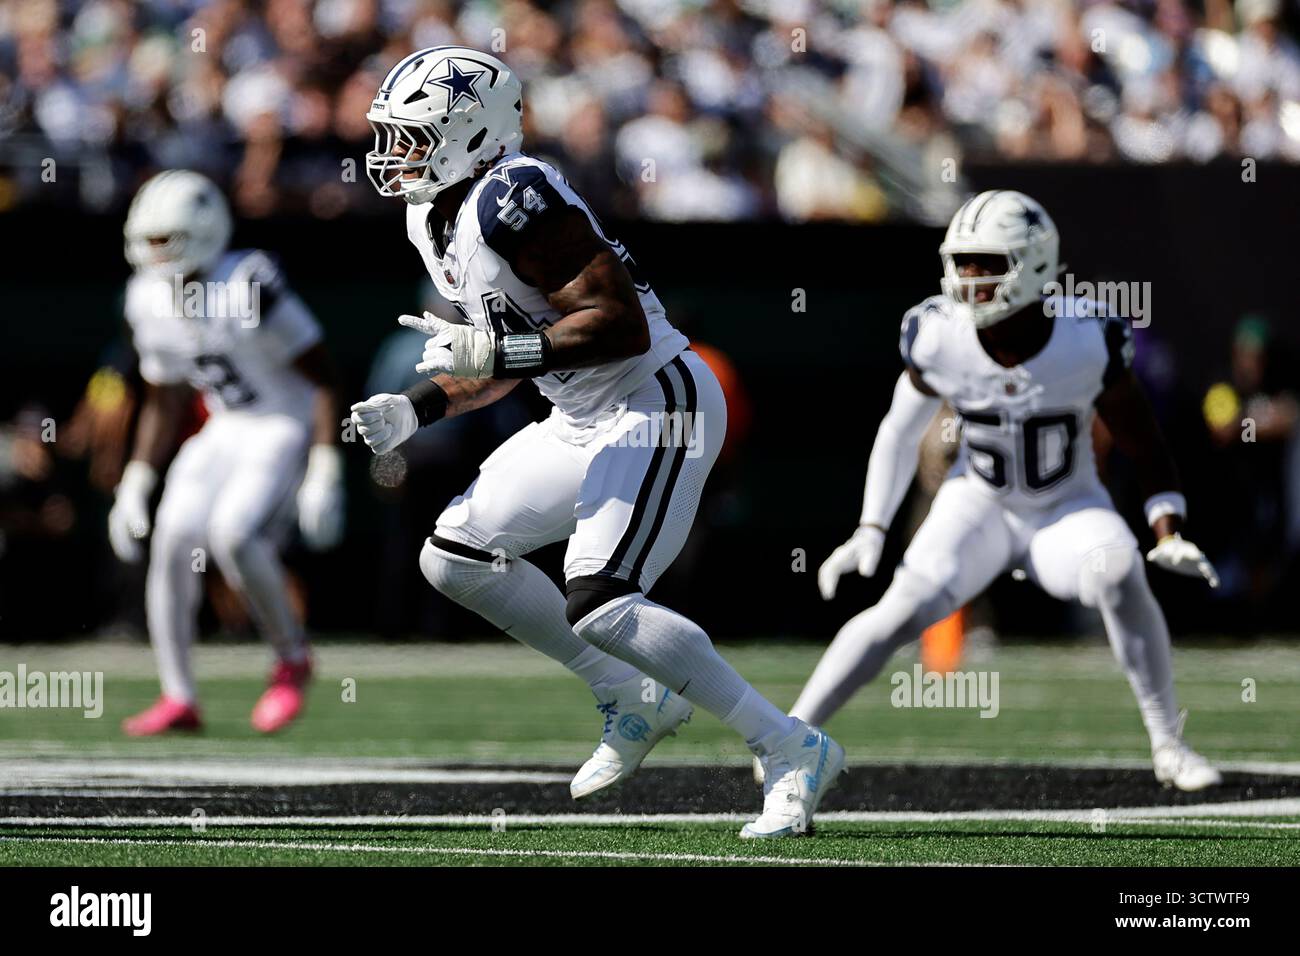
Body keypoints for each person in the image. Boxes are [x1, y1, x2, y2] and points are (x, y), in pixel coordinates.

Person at [348, 47, 842, 837]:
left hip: (655, 399)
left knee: (602, 600)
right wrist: (415, 409)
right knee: (455, 555)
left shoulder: (515, 193)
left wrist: (497, 353)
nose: (393, 154)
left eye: (411, 136)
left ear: (473, 133)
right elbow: (505, 352)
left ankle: (790, 747)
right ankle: (633, 696)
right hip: (579, 416)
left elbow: (619, 325)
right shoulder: (429, 216)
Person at [798, 190, 1221, 791]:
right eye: (961, 261)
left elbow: (1143, 440)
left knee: (1117, 569)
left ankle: (1168, 744)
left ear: (1036, 263)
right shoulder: (936, 333)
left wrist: (1166, 525)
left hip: (1065, 508)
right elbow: (899, 429)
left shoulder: (1088, 336)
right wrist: (870, 526)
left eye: (986, 263)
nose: (968, 278)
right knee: (896, 610)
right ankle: (791, 736)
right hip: (977, 503)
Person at [109, 170, 345, 735]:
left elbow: (324, 377)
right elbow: (164, 398)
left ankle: (292, 658)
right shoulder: (146, 297)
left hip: (281, 422)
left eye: (169, 239)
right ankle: (178, 695)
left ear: (205, 229)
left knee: (233, 533)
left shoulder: (249, 281)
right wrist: (136, 480)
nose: (158, 253)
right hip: (225, 426)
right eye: (151, 241)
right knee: (170, 536)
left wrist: (325, 465)